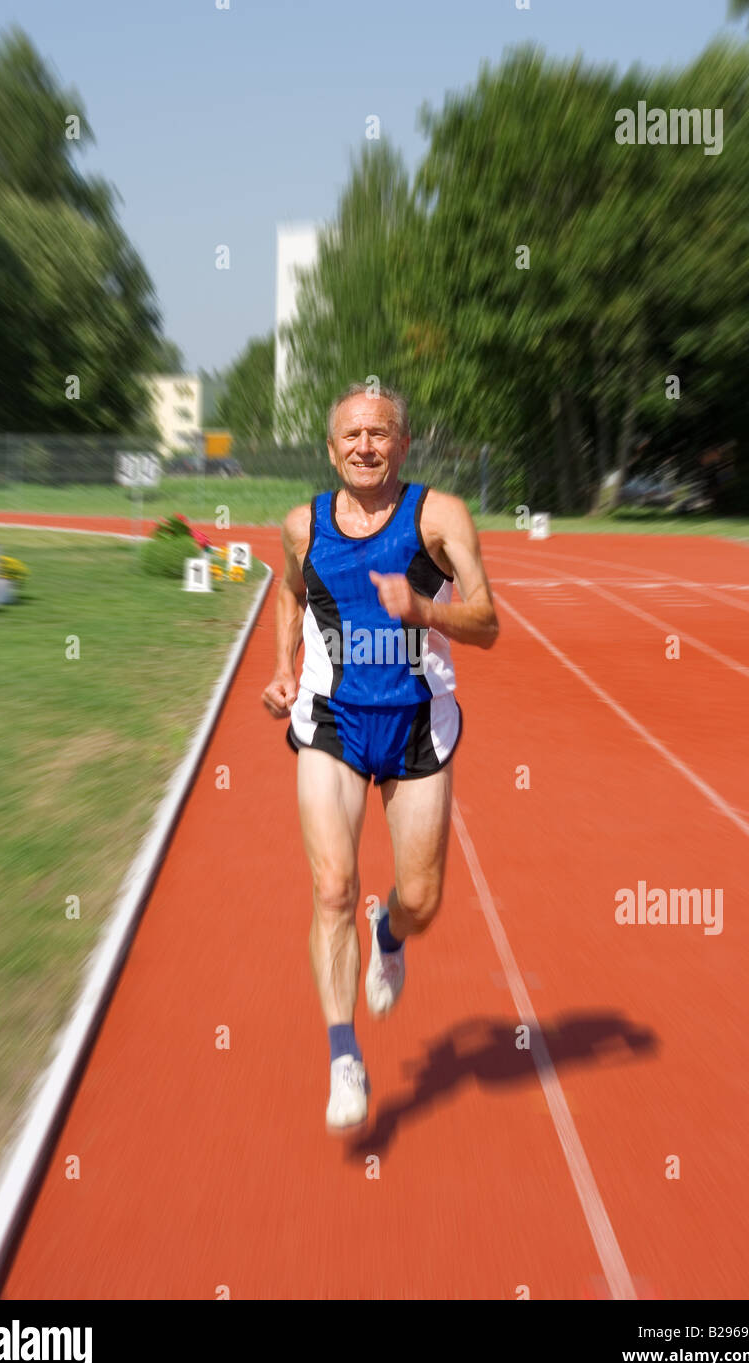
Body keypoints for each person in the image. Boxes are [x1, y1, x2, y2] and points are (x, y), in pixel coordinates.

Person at [261, 383, 498, 1131]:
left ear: (403, 443)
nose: (366, 445)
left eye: (380, 432)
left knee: (422, 900)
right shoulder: (303, 524)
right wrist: (282, 666)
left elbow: (488, 622)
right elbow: (289, 593)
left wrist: (425, 609)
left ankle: (387, 934)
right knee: (331, 886)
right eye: (352, 435)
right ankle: (343, 1059)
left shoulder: (440, 515)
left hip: (418, 727)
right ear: (331, 450)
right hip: (331, 720)